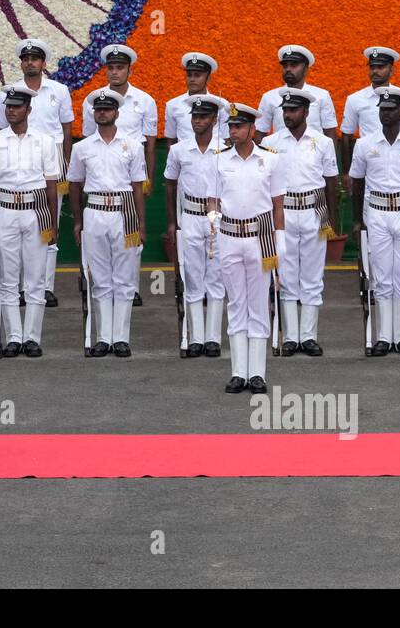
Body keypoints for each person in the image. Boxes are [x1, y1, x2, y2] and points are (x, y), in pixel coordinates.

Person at [349, 86, 400, 356]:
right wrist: (358, 220)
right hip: (377, 212)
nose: (386, 114)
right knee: (381, 276)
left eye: (391, 109)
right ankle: (384, 337)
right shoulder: (365, 144)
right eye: (382, 109)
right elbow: (357, 184)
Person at [0, 39, 73, 306]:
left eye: (35, 59)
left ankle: (43, 286)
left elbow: (67, 130)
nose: (30, 63)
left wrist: (67, 166)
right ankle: (16, 288)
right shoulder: (9, 93)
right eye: (26, 59)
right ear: (21, 63)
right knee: (17, 231)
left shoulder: (59, 91)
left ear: (43, 63)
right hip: (17, 165)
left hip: (49, 165)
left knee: (48, 226)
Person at [0, 83, 61, 357]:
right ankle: (14, 337)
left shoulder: (45, 141)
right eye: (8, 106)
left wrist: (52, 222)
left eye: (17, 107)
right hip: (5, 209)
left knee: (36, 278)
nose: (12, 111)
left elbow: (52, 185)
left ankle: (32, 338)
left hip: (36, 209)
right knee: (7, 278)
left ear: (29, 109)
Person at [68, 89, 147, 356]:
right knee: (100, 278)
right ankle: (103, 338)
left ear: (117, 113)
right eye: (99, 109)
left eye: (108, 109)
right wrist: (78, 220)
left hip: (124, 212)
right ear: (94, 113)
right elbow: (75, 186)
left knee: (124, 279)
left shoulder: (133, 146)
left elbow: (138, 187)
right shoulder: (82, 148)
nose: (103, 113)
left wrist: (141, 223)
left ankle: (121, 338)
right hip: (95, 211)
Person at [213, 103, 285, 394]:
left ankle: (257, 373)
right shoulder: (219, 160)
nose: (233, 131)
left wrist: (280, 244)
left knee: (258, 305)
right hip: (229, 235)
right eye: (230, 126)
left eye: (238, 126)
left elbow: (278, 205)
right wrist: (213, 227)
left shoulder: (270, 160)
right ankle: (237, 372)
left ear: (252, 129)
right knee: (236, 304)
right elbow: (212, 201)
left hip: (260, 237)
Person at [262, 89, 339, 356]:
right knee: (286, 274)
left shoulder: (322, 142)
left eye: (293, 110)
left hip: (313, 211)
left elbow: (330, 181)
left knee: (312, 275)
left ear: (306, 112)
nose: (287, 115)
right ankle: (291, 337)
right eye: (285, 110)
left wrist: (332, 219)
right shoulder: (271, 142)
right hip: (283, 213)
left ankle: (308, 336)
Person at [81, 44, 157, 306]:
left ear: (129, 69)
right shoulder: (93, 101)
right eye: (110, 68)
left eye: (119, 68)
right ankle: (108, 286)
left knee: (132, 233)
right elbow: (89, 140)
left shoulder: (145, 101)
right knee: (103, 240)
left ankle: (131, 287)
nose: (114, 72)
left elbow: (149, 143)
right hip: (103, 173)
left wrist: (147, 178)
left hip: (131, 174)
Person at [164, 94, 230, 357]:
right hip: (190, 215)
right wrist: (172, 221)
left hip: (218, 217)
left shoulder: (225, 149)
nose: (197, 121)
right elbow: (169, 185)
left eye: (203, 116)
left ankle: (213, 338)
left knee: (215, 277)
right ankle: (195, 338)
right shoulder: (179, 149)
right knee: (192, 277)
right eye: (194, 116)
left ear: (215, 120)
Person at [340, 46, 400, 189]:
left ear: (392, 70)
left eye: (381, 67)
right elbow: (346, 136)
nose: (375, 71)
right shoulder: (355, 99)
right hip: (368, 163)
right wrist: (347, 172)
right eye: (372, 67)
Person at [255, 45, 339, 142]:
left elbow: (330, 133)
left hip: (313, 154)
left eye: (294, 65)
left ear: (306, 69)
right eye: (285, 66)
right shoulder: (269, 97)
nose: (288, 69)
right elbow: (260, 133)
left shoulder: (321, 96)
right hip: (280, 154)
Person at [163, 52, 229, 147]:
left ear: (208, 78)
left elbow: (226, 138)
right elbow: (171, 140)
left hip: (213, 158)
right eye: (189, 75)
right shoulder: (173, 105)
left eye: (197, 75)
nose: (192, 79)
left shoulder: (221, 104)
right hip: (184, 158)